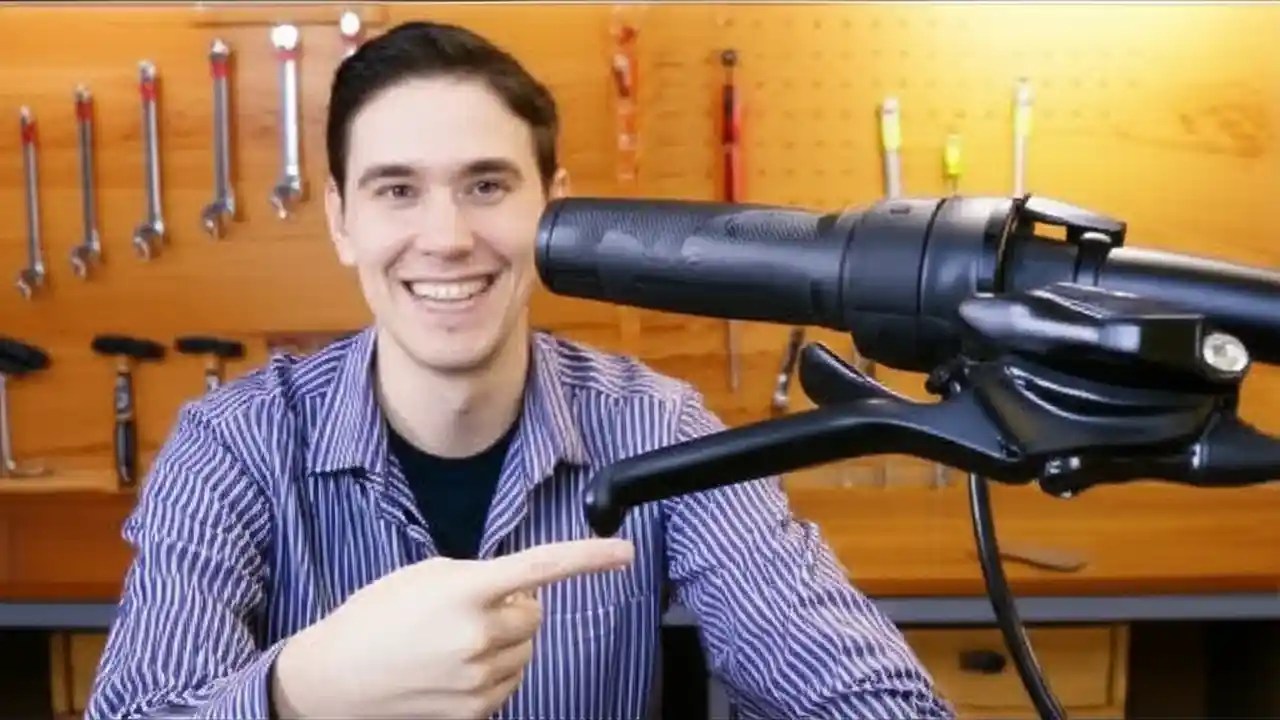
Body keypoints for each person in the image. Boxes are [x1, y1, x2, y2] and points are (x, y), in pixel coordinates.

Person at [85, 20, 954, 720]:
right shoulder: (232, 445)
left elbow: (856, 688)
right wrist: (298, 695)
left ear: (552, 211)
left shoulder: (658, 428)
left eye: (487, 186)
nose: (448, 237)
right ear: (342, 221)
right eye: (397, 190)